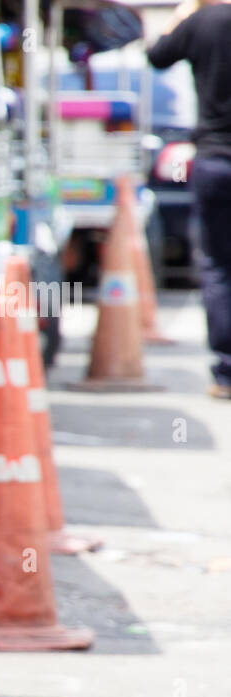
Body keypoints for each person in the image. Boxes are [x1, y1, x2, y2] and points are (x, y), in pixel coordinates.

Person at [149, 0, 231, 398]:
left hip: (215, 160)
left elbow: (157, 55)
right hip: (214, 158)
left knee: (217, 267)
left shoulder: (203, 21)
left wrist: (183, 12)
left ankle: (227, 372)